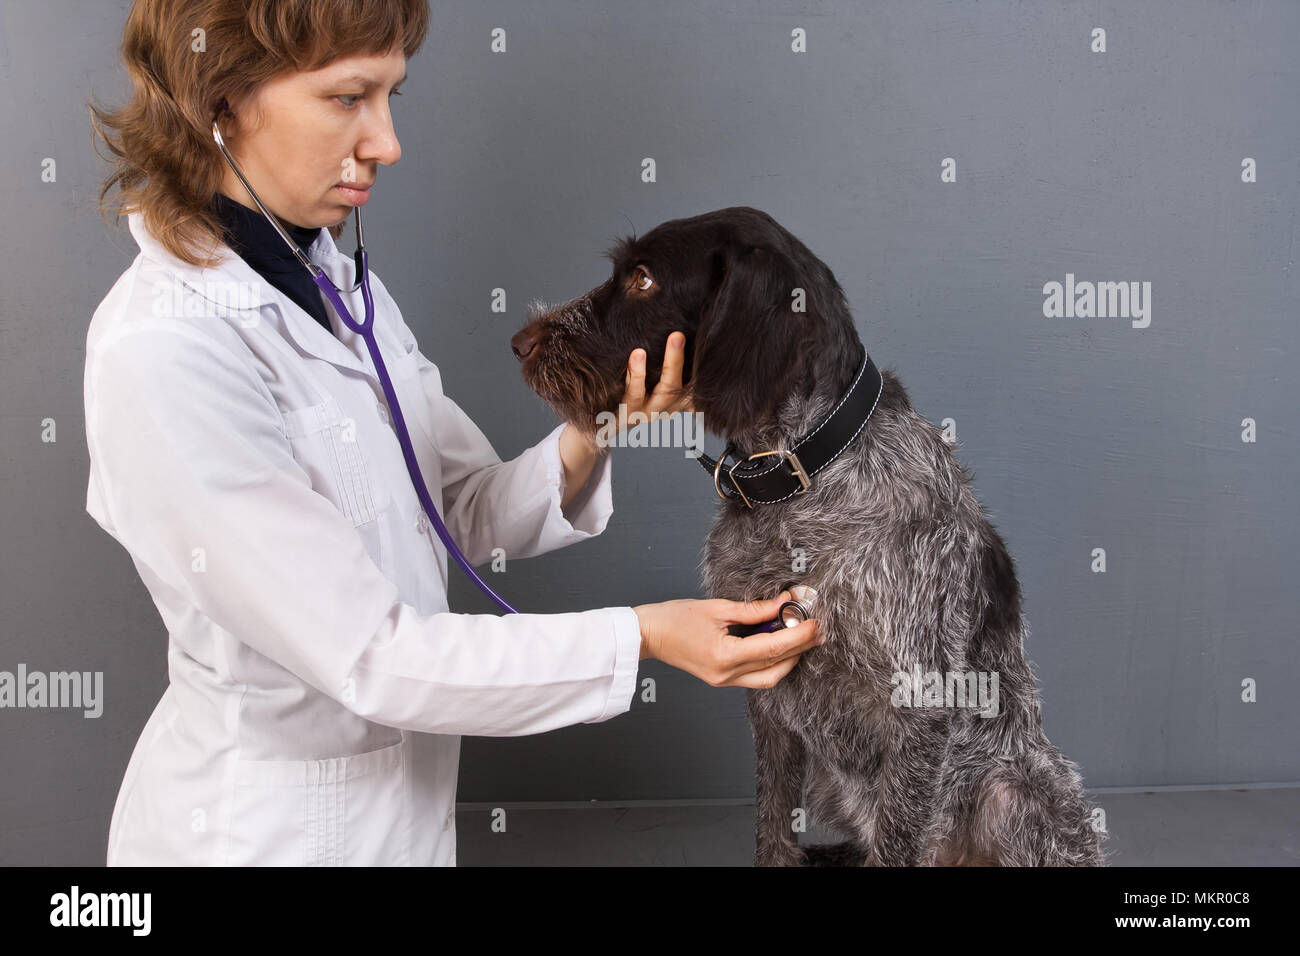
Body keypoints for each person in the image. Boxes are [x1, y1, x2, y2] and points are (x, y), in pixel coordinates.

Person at [85, 0, 821, 866]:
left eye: (392, 95)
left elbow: (461, 511)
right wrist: (645, 635)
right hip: (260, 838)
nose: (386, 143)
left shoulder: (337, 289)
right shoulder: (166, 350)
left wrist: (598, 428)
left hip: (404, 828)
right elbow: (373, 656)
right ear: (222, 101)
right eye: (348, 98)